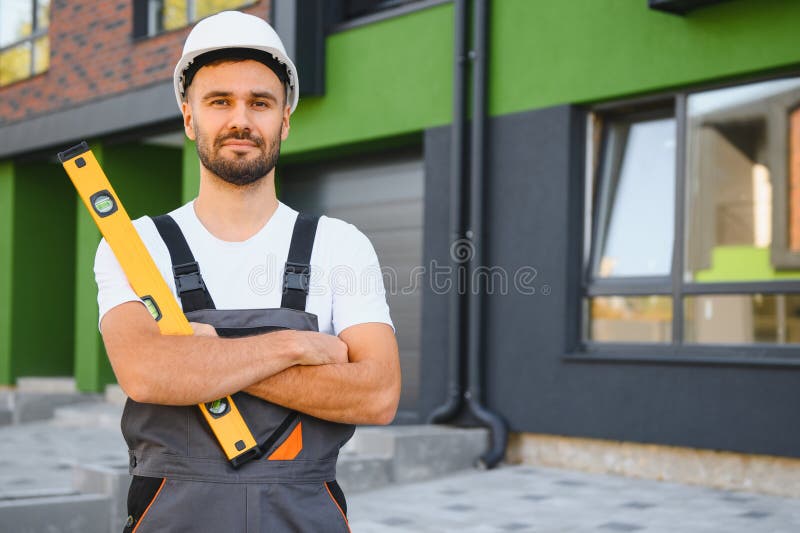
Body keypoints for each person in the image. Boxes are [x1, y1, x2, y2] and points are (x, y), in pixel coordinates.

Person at [94, 10, 400, 532]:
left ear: (284, 119)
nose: (241, 120)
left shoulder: (339, 245)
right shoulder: (137, 244)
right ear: (190, 118)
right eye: (219, 102)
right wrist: (296, 347)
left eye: (260, 102)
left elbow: (377, 394)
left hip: (304, 516)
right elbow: (145, 373)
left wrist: (202, 357)